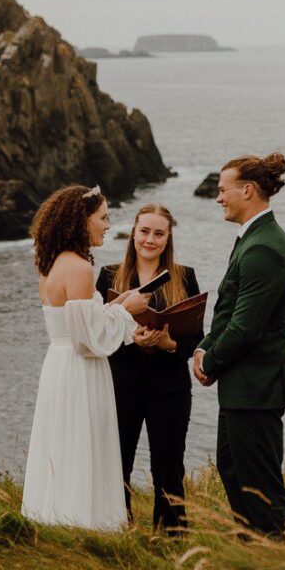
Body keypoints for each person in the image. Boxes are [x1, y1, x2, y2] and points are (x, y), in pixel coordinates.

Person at [22, 184, 169, 529]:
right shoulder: (80, 269)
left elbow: (77, 323)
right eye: (103, 218)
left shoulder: (51, 264)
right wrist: (127, 310)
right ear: (81, 220)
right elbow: (88, 341)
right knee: (82, 444)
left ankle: (56, 518)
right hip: (80, 368)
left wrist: (117, 305)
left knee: (62, 444)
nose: (107, 225)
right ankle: (85, 523)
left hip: (59, 365)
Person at [192, 152, 285, 538]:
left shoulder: (265, 247)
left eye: (223, 190)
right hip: (242, 388)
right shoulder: (252, 239)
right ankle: (252, 555)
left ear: (247, 190)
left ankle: (276, 561)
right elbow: (230, 311)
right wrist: (205, 346)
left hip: (258, 388)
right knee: (233, 470)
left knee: (261, 486)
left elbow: (246, 327)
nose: (218, 197)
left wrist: (210, 362)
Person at [97, 203, 201, 532]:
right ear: (133, 234)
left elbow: (196, 336)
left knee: (169, 467)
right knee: (117, 463)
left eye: (159, 233)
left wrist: (169, 345)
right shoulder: (110, 276)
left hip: (169, 386)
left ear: (168, 238)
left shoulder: (184, 276)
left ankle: (171, 538)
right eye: (144, 231)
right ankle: (116, 529)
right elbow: (97, 336)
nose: (150, 240)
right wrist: (132, 339)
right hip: (120, 384)